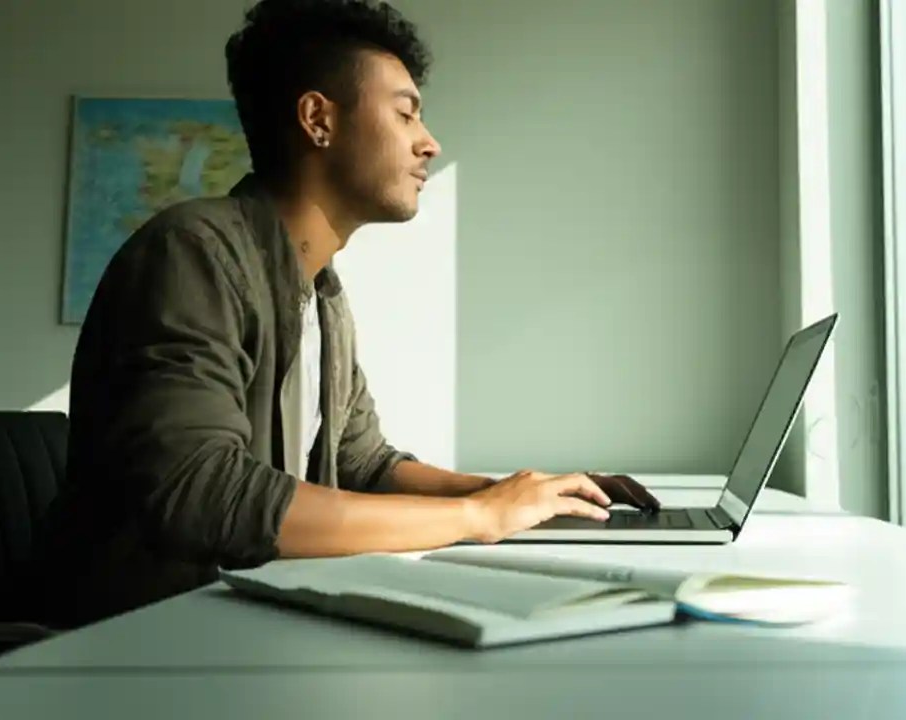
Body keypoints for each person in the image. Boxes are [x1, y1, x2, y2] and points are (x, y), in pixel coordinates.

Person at [33, 0, 659, 629]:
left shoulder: (321, 293)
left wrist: (518, 496)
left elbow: (367, 466)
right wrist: (479, 518)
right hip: (136, 643)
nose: (429, 141)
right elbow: (201, 492)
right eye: (405, 113)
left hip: (240, 626)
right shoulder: (194, 251)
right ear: (317, 120)